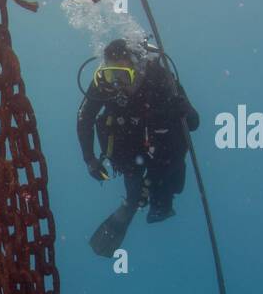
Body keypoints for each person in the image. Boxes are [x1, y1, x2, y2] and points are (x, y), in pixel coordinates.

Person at [77, 38, 200, 256]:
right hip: (128, 149)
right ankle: (133, 203)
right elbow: (84, 118)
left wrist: (184, 110)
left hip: (162, 148)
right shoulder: (103, 83)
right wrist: (90, 159)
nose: (117, 84)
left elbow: (193, 123)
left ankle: (156, 195)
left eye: (123, 75)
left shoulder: (159, 77)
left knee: (168, 193)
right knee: (133, 196)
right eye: (111, 75)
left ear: (137, 68)